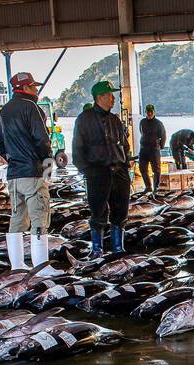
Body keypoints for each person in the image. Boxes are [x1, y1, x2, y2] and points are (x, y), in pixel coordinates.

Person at [0, 71, 56, 271]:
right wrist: (48, 164)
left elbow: (1, 145)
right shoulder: (33, 108)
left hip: (13, 175)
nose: (36, 90)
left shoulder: (4, 111)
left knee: (17, 218)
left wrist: (14, 160)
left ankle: (17, 266)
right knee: (39, 216)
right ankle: (41, 266)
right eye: (34, 86)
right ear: (26, 88)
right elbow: (42, 139)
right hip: (32, 172)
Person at [72, 79, 132, 256]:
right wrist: (87, 170)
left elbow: (125, 145)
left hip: (119, 172)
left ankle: (118, 248)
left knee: (120, 212)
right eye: (109, 95)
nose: (113, 98)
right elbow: (77, 149)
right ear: (100, 97)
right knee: (98, 212)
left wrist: (126, 163)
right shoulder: (84, 119)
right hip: (98, 172)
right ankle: (97, 249)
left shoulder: (115, 119)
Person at [137, 104, 166, 197]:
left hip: (154, 149)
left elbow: (163, 136)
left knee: (156, 170)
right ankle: (148, 187)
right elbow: (141, 132)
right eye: (148, 111)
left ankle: (156, 188)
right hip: (143, 149)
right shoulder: (142, 122)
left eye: (151, 111)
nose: (149, 113)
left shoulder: (158, 123)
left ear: (154, 112)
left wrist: (160, 146)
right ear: (145, 112)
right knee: (142, 169)